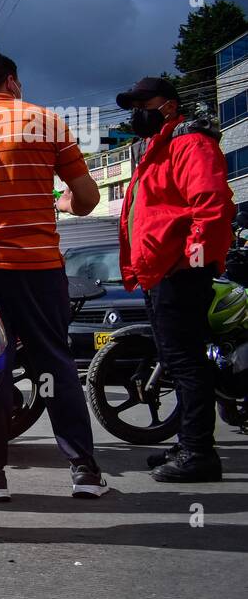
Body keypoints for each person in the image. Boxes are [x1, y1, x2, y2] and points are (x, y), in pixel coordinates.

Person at [0, 52, 108, 501]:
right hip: (38, 269)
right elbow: (88, 198)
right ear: (12, 82)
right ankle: (85, 472)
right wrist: (65, 203)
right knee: (56, 362)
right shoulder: (47, 122)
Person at [117, 76, 235, 482]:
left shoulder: (190, 144)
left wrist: (193, 260)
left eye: (142, 103)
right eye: (132, 105)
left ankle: (200, 452)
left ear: (168, 105)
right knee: (176, 360)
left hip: (179, 273)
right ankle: (188, 442)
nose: (136, 112)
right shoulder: (157, 149)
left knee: (186, 362)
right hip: (159, 273)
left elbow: (213, 205)